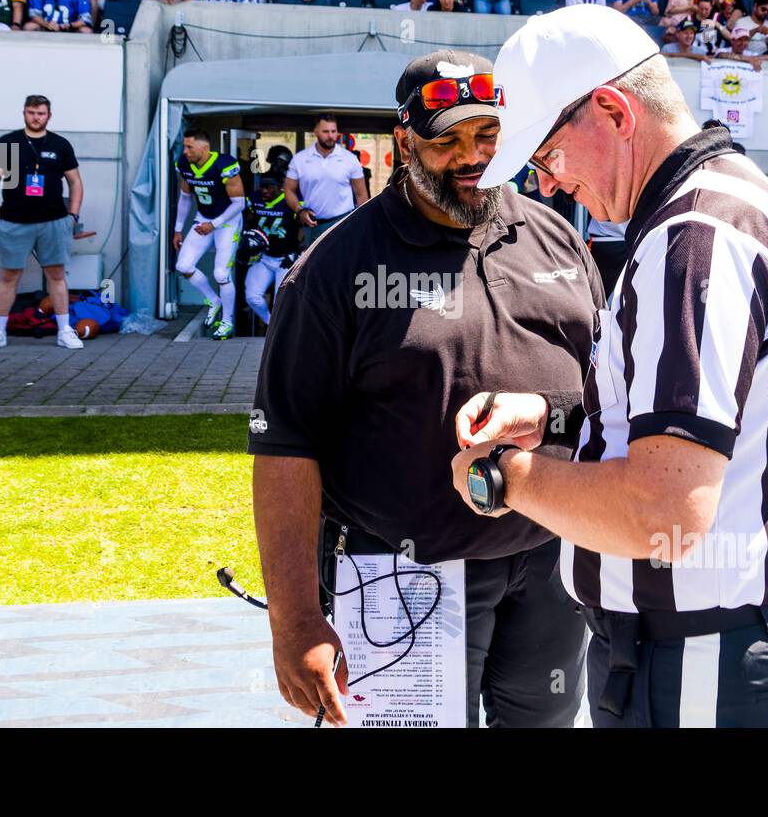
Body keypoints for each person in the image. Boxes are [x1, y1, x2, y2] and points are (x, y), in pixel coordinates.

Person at [452, 4, 768, 728]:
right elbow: (702, 419)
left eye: (547, 155)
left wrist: (503, 476)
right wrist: (553, 418)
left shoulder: (693, 235)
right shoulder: (728, 201)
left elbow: (665, 511)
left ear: (612, 111)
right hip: (712, 650)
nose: (548, 184)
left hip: (697, 661)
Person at [250, 48, 600, 729]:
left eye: (488, 134)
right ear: (404, 142)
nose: (473, 156)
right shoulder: (334, 267)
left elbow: (603, 392)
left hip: (553, 558)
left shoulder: (557, 237)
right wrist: (294, 619)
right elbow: (286, 447)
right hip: (403, 569)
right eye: (448, 141)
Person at [0, 96, 85, 352]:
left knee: (56, 275)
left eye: (41, 113)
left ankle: (65, 330)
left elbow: (76, 182)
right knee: (9, 276)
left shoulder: (60, 144)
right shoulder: (7, 143)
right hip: (14, 222)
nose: (36, 117)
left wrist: (73, 217)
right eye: (32, 112)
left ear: (49, 116)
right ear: (24, 113)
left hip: (54, 221)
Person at [171, 128, 245, 341]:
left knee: (221, 273)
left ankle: (227, 322)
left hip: (227, 221)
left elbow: (239, 203)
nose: (185, 151)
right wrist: (178, 229)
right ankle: (214, 300)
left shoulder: (224, 165)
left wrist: (214, 224)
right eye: (184, 147)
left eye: (189, 147)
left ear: (204, 147)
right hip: (204, 218)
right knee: (183, 266)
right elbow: (185, 197)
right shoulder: (185, 164)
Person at [284, 114, 368, 247]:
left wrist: (361, 225)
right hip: (312, 225)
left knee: (341, 260)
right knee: (313, 261)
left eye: (333, 131)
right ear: (316, 132)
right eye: (325, 131)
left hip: (342, 223)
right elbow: (288, 189)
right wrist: (299, 211)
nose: (330, 136)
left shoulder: (350, 159)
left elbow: (361, 194)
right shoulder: (300, 159)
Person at [242, 151, 300, 328]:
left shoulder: (289, 201)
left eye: (269, 187)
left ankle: (282, 331)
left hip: (286, 258)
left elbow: (303, 228)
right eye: (262, 187)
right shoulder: (255, 199)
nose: (264, 190)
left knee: (280, 301)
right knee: (252, 296)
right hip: (264, 257)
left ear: (280, 187)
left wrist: (298, 252)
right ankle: (270, 325)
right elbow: (246, 218)